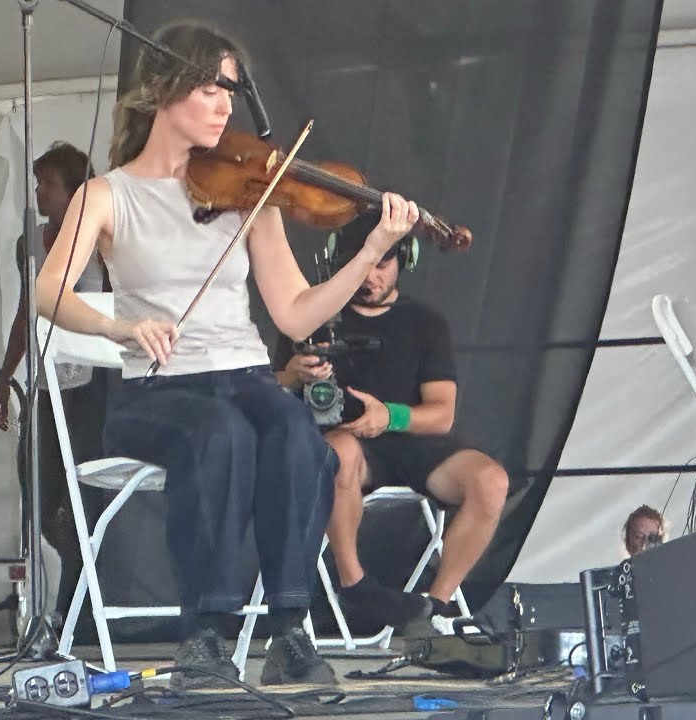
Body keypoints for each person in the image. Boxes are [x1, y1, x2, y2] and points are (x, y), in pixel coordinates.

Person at [33, 20, 421, 687]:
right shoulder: (109, 195)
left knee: (300, 435)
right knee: (221, 434)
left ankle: (290, 629)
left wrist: (367, 252)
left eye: (231, 95)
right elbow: (49, 293)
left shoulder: (250, 192)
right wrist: (122, 328)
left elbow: (295, 310)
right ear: (165, 89)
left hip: (243, 378)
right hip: (156, 393)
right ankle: (205, 635)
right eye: (213, 89)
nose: (225, 107)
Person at [275, 213, 508, 636]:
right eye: (362, 265)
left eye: (382, 264)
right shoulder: (309, 312)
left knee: (491, 482)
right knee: (339, 453)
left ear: (405, 260)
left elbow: (442, 414)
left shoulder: (425, 323)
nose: (371, 276)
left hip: (412, 442)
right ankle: (353, 584)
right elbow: (263, 390)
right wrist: (292, 374)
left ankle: (433, 609)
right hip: (344, 443)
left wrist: (390, 416)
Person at [0, 142, 108, 620]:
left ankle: (77, 604)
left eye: (48, 184)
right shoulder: (31, 242)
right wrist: (5, 377)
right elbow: (26, 312)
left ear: (75, 192)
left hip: (94, 388)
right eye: (38, 182)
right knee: (39, 496)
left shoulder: (105, 242)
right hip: (47, 384)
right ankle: (78, 580)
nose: (39, 191)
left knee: (82, 494)